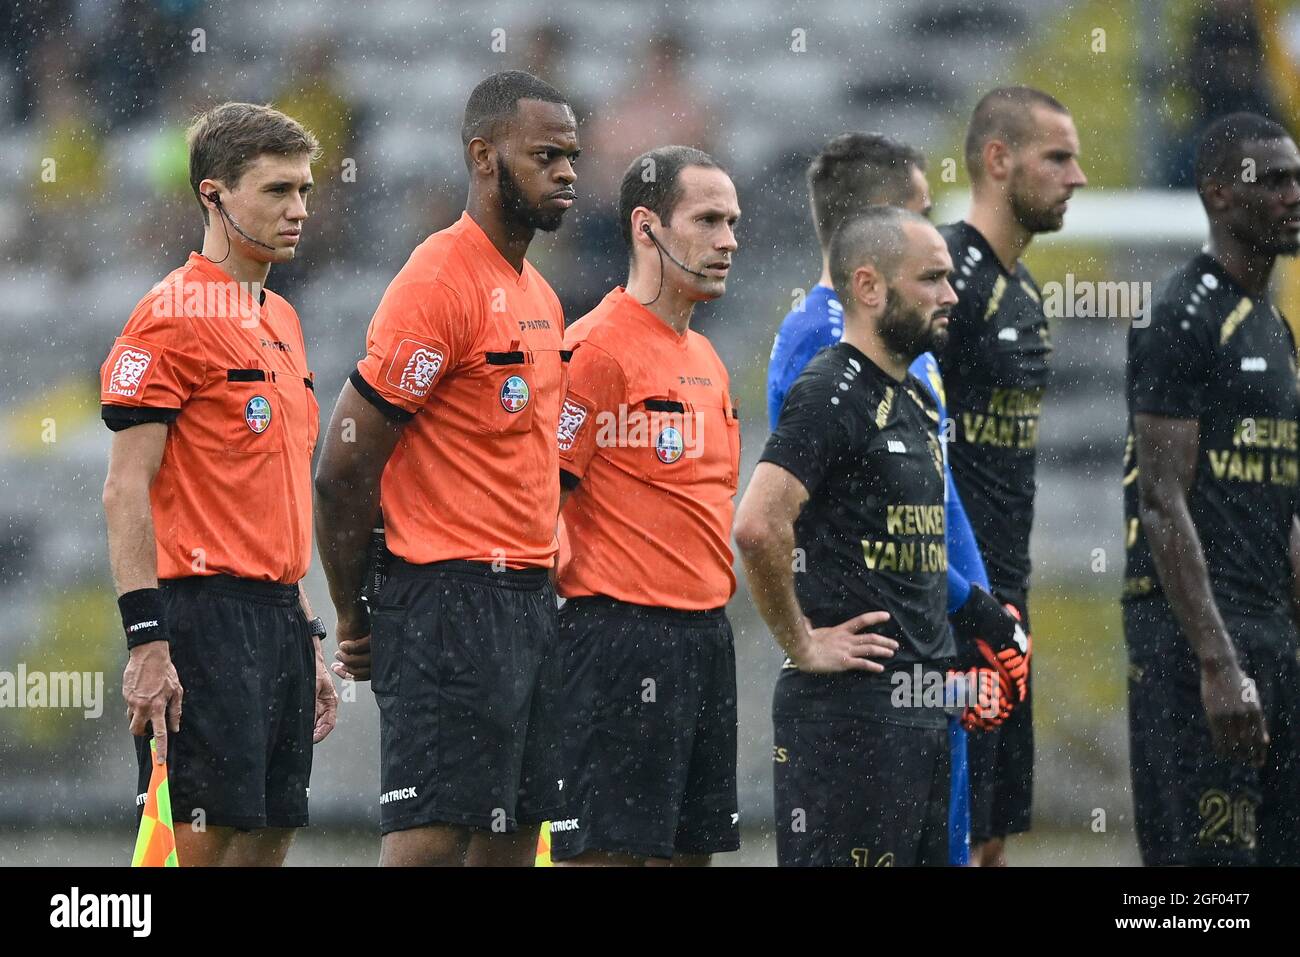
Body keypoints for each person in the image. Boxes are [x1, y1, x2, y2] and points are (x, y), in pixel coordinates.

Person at [312, 71, 579, 867]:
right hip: (446, 602)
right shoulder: (439, 280)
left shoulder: (540, 294)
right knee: (429, 841)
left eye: (571, 155)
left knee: (512, 838)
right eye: (545, 155)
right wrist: (355, 611)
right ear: (484, 156)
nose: (566, 171)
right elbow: (343, 466)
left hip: (529, 598)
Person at [736, 207, 1028, 866]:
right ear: (870, 287)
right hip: (850, 721)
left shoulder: (917, 400)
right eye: (931, 279)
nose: (951, 295)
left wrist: (976, 638)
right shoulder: (830, 389)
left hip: (920, 718)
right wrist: (802, 642)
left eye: (951, 278)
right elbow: (757, 524)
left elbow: (916, 559)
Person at [100, 102, 334, 867]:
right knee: (195, 846)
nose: (298, 209)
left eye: (304, 189)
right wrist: (146, 642)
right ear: (214, 194)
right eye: (276, 191)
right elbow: (125, 488)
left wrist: (303, 630)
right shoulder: (170, 314)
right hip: (200, 617)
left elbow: (269, 486)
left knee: (267, 839)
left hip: (275, 615)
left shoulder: (284, 319)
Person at [550, 146, 742, 866]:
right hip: (618, 639)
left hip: (705, 640)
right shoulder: (595, 349)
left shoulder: (709, 360)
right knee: (613, 855)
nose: (728, 240)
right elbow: (542, 503)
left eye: (733, 222)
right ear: (646, 227)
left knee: (692, 854)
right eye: (708, 220)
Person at [1125, 111, 1300, 865]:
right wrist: (1218, 663)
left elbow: (1283, 499)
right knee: (1202, 885)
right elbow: (1162, 498)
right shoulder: (1180, 314)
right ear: (1219, 193)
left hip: (1270, 631)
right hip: (1193, 641)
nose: (1296, 193)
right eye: (1277, 179)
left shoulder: (1274, 327)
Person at [937, 87, 1086, 865]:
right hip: (949, 604)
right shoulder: (940, 277)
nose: (1078, 176)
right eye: (1058, 157)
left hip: (1007, 598)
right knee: (946, 837)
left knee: (991, 838)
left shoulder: (1023, 291)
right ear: (998, 160)